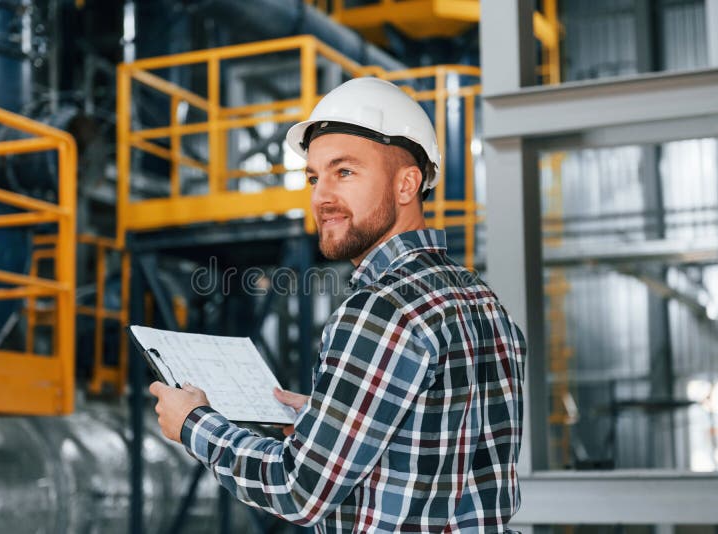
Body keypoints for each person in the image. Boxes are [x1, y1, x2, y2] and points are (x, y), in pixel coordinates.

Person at [150, 77, 526, 532]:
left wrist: (194, 424)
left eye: (344, 172)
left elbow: (297, 490)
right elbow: (443, 447)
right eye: (314, 176)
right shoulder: (482, 301)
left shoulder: (382, 307)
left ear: (407, 184)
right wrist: (327, 420)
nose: (321, 196)